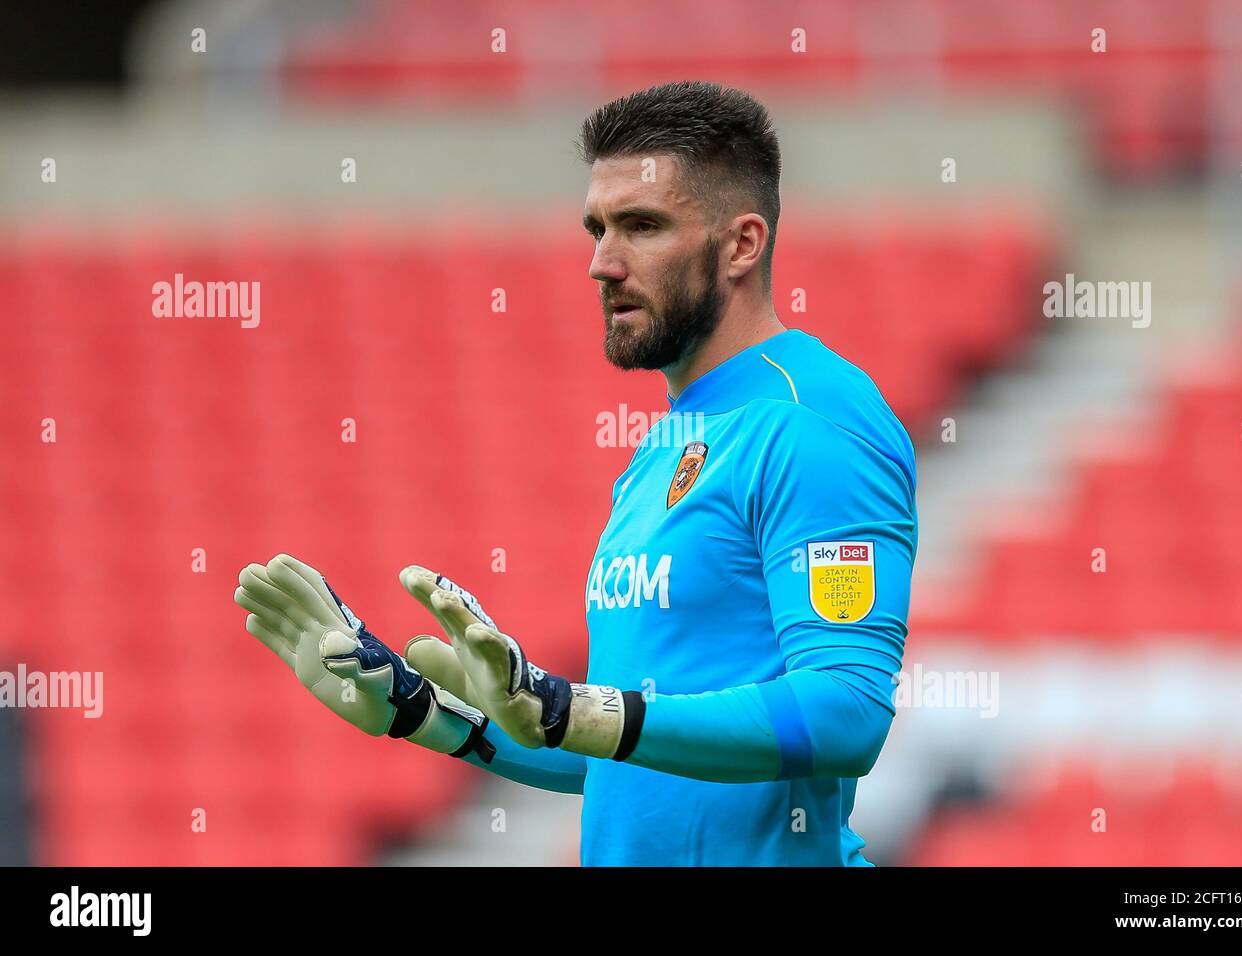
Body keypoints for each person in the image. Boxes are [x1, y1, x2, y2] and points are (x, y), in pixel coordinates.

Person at [236, 81, 917, 866]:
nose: (601, 263)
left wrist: (573, 708)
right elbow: (619, 755)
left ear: (741, 244)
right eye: (596, 228)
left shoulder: (812, 424)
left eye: (642, 227)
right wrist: (422, 710)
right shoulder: (663, 448)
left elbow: (845, 714)